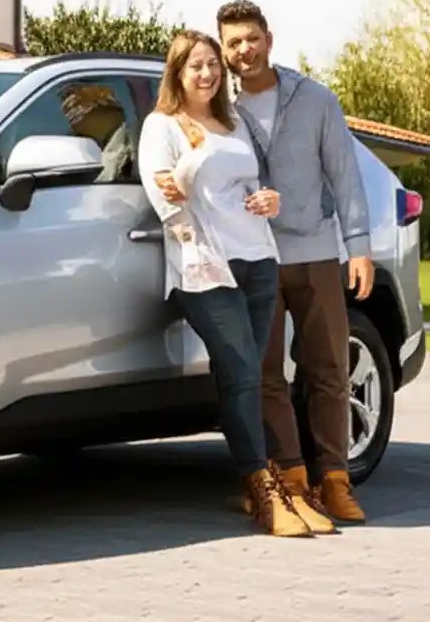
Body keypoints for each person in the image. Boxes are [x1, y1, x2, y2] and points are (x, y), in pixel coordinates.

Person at [138, 29, 313, 538]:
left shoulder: (232, 123)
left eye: (212, 64)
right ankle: (264, 487)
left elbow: (249, 186)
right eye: (195, 65)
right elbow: (167, 200)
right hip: (205, 266)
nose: (208, 73)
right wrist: (193, 155)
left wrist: (269, 201)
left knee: (252, 375)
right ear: (177, 72)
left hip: (258, 257)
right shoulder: (163, 127)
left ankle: (254, 481)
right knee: (239, 373)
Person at [216, 0, 374, 527]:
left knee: (328, 366)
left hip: (314, 252)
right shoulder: (219, 110)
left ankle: (335, 480)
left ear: (269, 38)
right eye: (234, 43)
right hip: (253, 255)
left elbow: (345, 174)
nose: (245, 50)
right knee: (265, 373)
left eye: (251, 38)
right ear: (224, 50)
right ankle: (292, 480)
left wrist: (359, 247)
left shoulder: (315, 100)